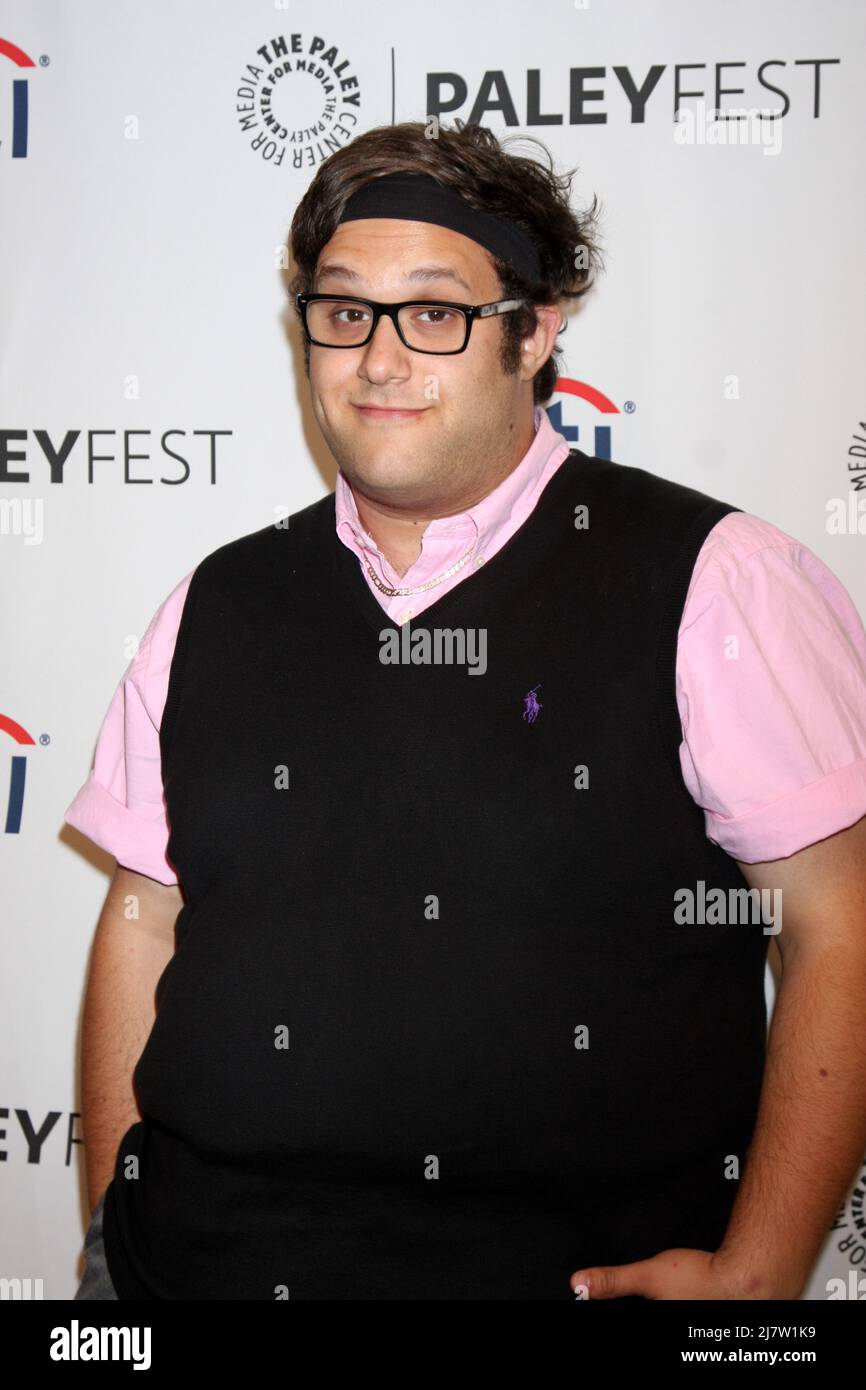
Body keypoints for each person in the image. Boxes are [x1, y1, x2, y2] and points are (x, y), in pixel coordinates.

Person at [66, 121, 866, 1301]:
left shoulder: (712, 578)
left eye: (433, 313)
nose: (379, 361)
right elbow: (142, 916)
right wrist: (114, 1234)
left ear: (535, 333)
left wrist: (754, 1283)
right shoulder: (217, 600)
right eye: (342, 313)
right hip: (189, 1274)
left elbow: (838, 932)